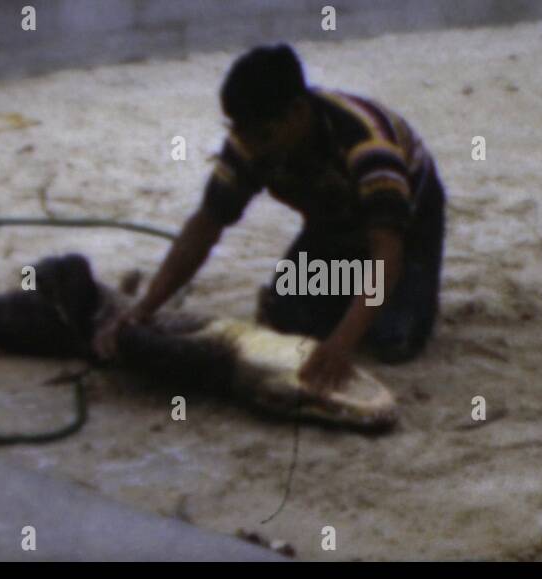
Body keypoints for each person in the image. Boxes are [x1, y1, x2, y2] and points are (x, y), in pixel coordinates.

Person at [95, 43, 446, 393]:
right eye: (241, 132)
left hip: (407, 225)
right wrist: (144, 309)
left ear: (296, 113)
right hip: (331, 223)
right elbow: (205, 226)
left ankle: (384, 294)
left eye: (262, 135)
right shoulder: (251, 138)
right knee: (286, 316)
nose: (253, 146)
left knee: (393, 340)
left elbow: (387, 249)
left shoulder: (366, 145)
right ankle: (351, 288)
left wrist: (342, 343)